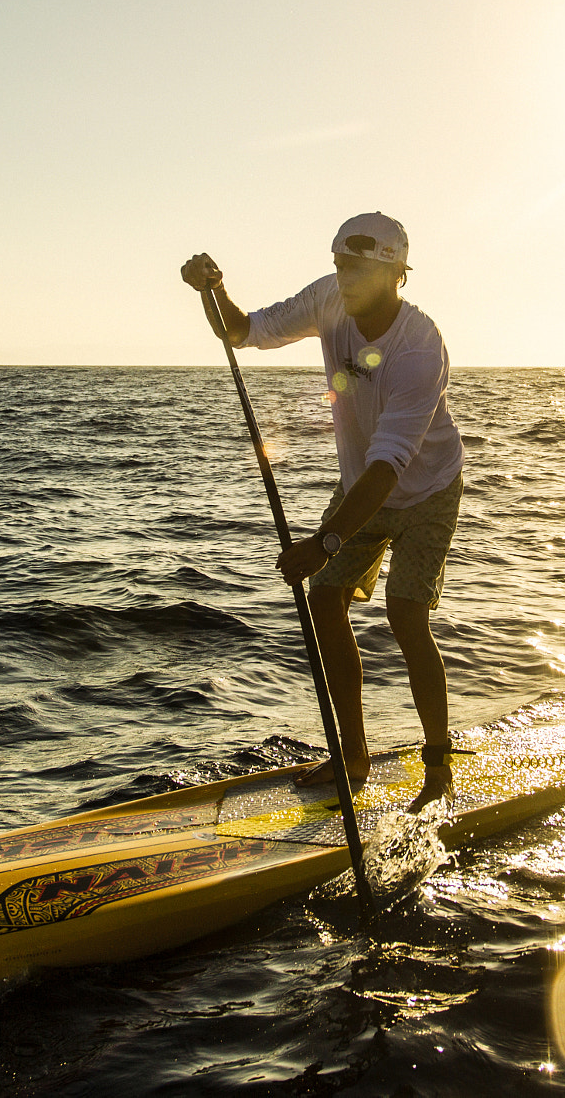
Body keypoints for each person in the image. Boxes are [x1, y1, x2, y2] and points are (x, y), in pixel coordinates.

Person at [181, 212, 465, 812]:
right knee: (324, 601)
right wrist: (214, 290)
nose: (347, 277)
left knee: (406, 612)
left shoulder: (419, 347)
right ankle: (352, 759)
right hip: (364, 483)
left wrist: (324, 543)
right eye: (341, 264)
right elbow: (242, 332)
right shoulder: (327, 299)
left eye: (361, 267)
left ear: (396, 274)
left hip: (424, 491)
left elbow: (391, 465)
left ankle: (437, 768)